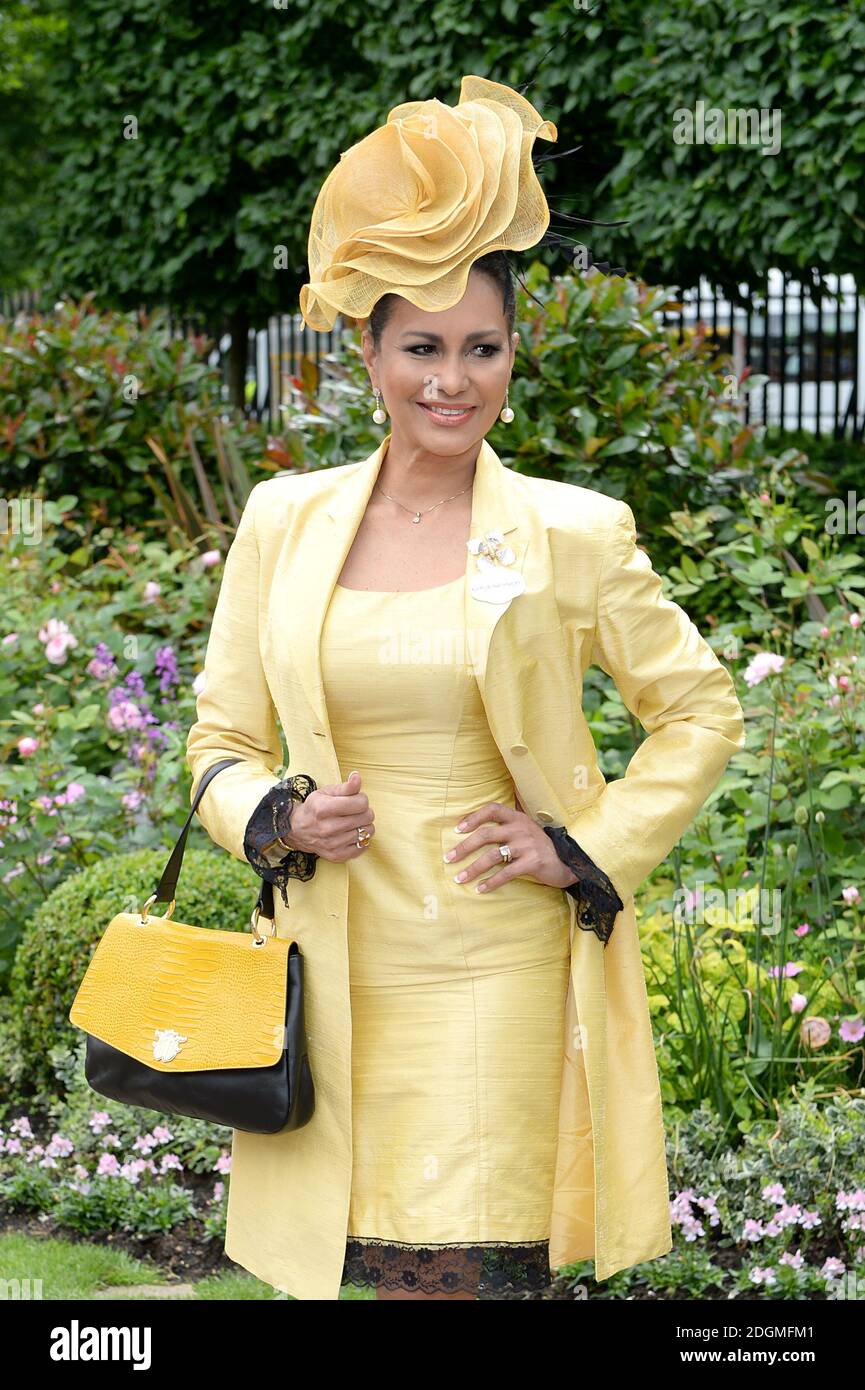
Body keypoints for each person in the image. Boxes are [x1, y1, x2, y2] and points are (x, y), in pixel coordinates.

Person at [186, 75, 745, 1303]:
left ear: (508, 356)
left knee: (474, 1276)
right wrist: (276, 816)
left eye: (480, 349)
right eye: (422, 348)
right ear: (371, 354)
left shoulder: (574, 532)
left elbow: (702, 709)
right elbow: (218, 737)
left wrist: (579, 846)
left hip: (497, 974)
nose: (452, 380)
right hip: (327, 977)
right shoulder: (285, 520)